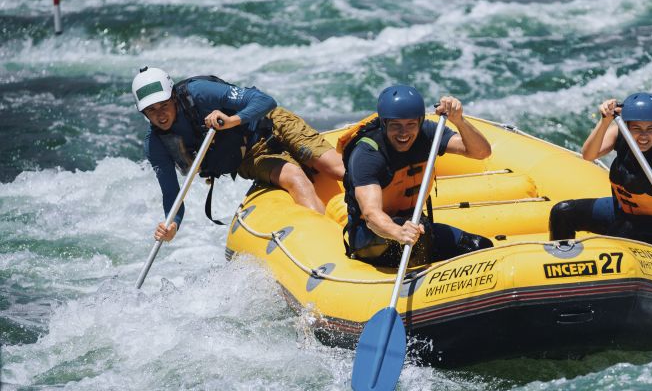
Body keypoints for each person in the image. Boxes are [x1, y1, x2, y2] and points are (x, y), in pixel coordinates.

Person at [132, 67, 345, 241]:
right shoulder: (156, 146)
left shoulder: (199, 92)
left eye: (164, 106)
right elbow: (172, 196)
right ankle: (329, 243)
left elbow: (265, 100)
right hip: (250, 156)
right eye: (151, 110)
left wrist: (231, 120)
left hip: (274, 123)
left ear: (174, 98)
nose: (160, 115)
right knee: (296, 179)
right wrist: (172, 226)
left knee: (336, 169)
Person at [342, 85, 494, 267]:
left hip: (416, 227)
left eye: (410, 125)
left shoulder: (429, 134)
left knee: (480, 246)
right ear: (384, 123)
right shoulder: (368, 154)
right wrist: (398, 232)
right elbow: (371, 215)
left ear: (420, 122)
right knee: (419, 241)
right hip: (372, 237)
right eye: (396, 126)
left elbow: (481, 152)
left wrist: (459, 120)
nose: (404, 133)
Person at [548, 92, 652, 249]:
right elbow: (589, 154)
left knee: (624, 229)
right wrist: (605, 121)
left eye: (651, 129)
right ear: (627, 126)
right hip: (623, 213)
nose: (643, 136)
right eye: (637, 128)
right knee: (562, 212)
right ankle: (562, 261)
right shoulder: (619, 133)